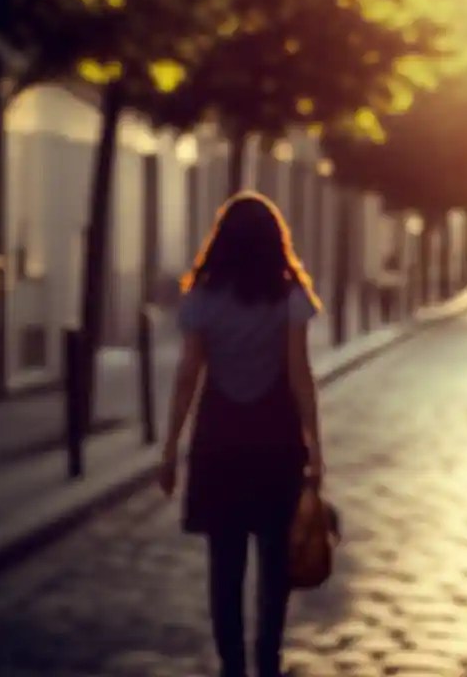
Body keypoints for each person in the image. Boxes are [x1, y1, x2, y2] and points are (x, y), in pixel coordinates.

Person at [158, 192, 325, 677]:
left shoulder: (202, 300)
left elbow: (188, 375)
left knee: (224, 566)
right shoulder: (290, 298)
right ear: (276, 243)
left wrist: (170, 449)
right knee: (275, 565)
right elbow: (300, 374)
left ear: (222, 241)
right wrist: (316, 446)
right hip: (276, 442)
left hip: (219, 442)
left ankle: (232, 665)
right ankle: (267, 661)